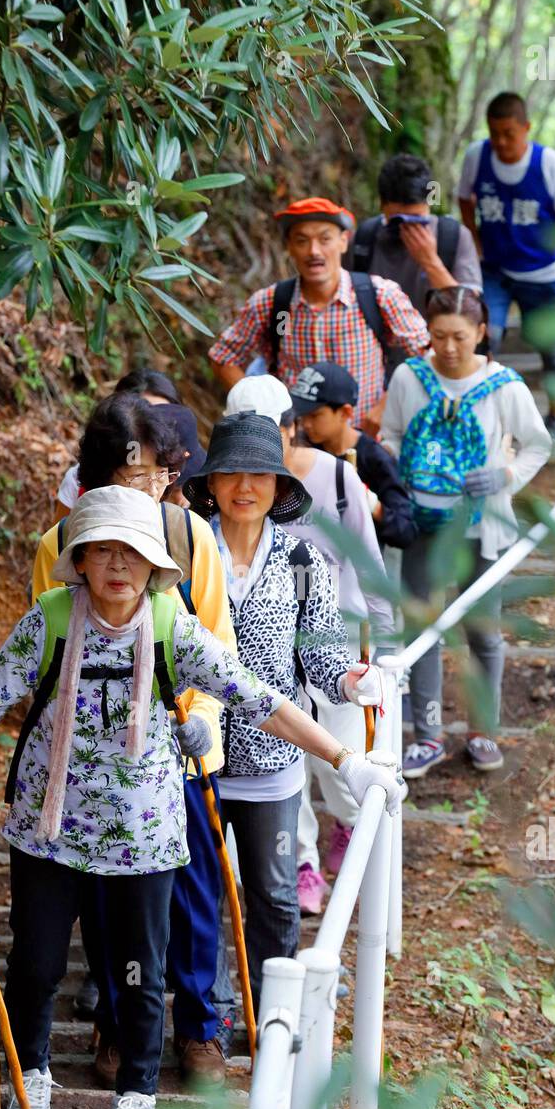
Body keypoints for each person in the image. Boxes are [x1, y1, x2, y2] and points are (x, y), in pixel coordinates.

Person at [0, 486, 401, 1109]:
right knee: (36, 963)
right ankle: (30, 1074)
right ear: (82, 561)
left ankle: (138, 1091)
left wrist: (345, 758)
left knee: (140, 968)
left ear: (155, 565)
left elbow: (259, 698)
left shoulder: (170, 624)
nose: (117, 566)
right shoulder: (52, 618)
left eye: (132, 553)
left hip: (142, 829)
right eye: (103, 551)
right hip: (49, 825)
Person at [33, 393, 238, 1086]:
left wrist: (201, 722)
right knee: (108, 907)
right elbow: (51, 650)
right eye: (127, 479)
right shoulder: (60, 547)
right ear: (94, 480)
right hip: (94, 765)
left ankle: (198, 1027)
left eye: (154, 476)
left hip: (179, 749)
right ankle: (115, 1025)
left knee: (194, 893)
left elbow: (218, 646)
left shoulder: (189, 539)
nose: (143, 490)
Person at [183, 413, 388, 1007]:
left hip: (274, 759)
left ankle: (272, 1010)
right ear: (213, 481)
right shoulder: (188, 552)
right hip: (194, 753)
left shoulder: (302, 562)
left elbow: (319, 655)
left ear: (278, 485)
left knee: (273, 894)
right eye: (231, 474)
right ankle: (211, 1013)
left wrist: (349, 680)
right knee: (199, 892)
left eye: (260, 474)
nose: (245, 487)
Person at [383, 286, 551, 778]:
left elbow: (537, 445)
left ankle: (483, 734)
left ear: (481, 332)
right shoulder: (409, 378)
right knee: (423, 630)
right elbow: (390, 434)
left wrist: (506, 475)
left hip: (482, 530)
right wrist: (400, 468)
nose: (449, 347)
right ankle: (428, 736)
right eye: (438, 336)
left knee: (483, 632)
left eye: (459, 336)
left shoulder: (504, 386)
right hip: (421, 526)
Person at [278, 393, 398, 911]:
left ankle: (351, 832)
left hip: (339, 639)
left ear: (291, 427)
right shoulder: (237, 491)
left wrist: (388, 650)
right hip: (272, 646)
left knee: (336, 757)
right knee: (288, 764)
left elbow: (368, 564)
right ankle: (301, 862)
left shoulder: (338, 478)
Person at [207, 197, 430, 432]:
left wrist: (388, 404)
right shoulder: (273, 303)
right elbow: (223, 358)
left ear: (344, 242)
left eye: (325, 239)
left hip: (363, 440)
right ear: (289, 247)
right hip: (297, 447)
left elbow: (427, 355)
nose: (314, 251)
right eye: (302, 241)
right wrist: (262, 412)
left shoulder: (379, 295)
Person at [457, 91, 555, 442]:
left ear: (526, 128)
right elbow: (464, 199)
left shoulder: (549, 164)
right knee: (486, 338)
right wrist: (474, 238)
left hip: (543, 274)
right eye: (494, 133)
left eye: (509, 134)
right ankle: (485, 416)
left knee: (552, 349)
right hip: (495, 270)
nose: (500, 142)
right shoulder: (477, 156)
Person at [345, 153, 482, 358]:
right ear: (382, 205)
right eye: (398, 220)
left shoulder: (453, 237)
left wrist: (431, 262)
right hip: (378, 359)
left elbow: (469, 312)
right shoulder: (364, 239)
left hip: (439, 356)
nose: (407, 229)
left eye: (416, 219)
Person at [289, 361, 417, 551]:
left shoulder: (375, 459)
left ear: (345, 412)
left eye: (314, 416)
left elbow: (406, 531)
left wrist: (370, 503)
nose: (305, 424)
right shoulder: (300, 448)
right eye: (302, 415)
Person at [52, 368, 205, 521]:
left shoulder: (189, 494)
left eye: (165, 415)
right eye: (138, 475)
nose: (150, 427)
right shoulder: (83, 481)